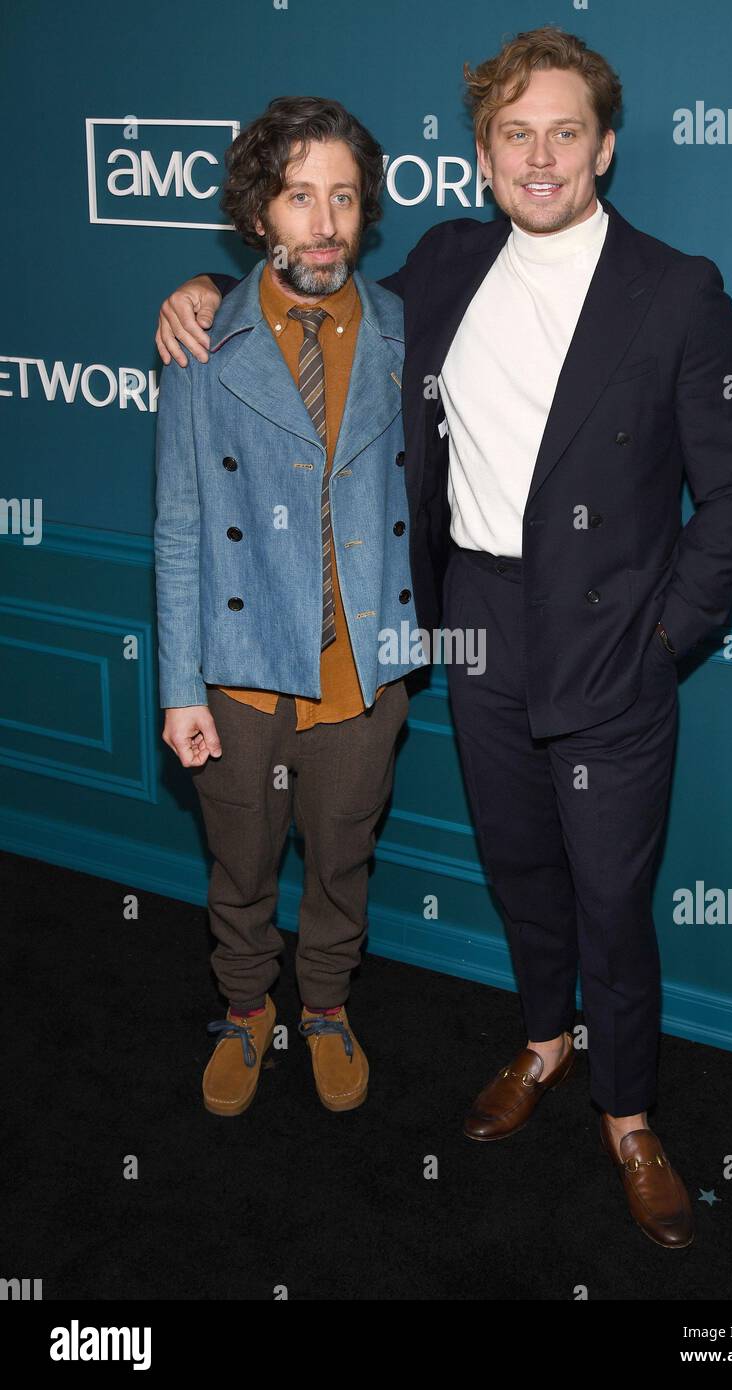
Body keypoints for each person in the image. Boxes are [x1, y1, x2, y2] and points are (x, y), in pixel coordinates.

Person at [155, 27, 732, 1246]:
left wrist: (664, 640)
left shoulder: (676, 287)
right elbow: (295, 298)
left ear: (603, 145)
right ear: (483, 155)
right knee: (524, 872)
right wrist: (193, 295)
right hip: (478, 626)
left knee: (614, 893)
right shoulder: (441, 264)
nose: (539, 157)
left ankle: (629, 1113)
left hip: (612, 640)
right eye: (512, 134)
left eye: (563, 132)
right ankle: (543, 1044)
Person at [154, 95, 422, 1120]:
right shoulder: (201, 339)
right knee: (241, 863)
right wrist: (179, 687)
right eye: (297, 195)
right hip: (235, 666)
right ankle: (241, 1006)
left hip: (361, 670)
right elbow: (180, 526)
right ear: (258, 212)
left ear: (364, 211)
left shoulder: (404, 325)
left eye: (343, 197)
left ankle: (322, 1005)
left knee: (343, 858)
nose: (323, 223)